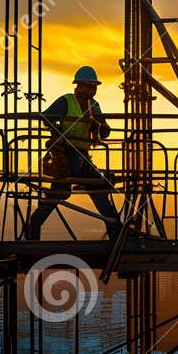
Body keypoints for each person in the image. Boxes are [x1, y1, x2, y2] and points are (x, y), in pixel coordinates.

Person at [21, 65, 122, 240]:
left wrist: (101, 127)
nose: (93, 90)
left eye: (94, 86)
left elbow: (104, 129)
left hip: (82, 155)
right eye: (90, 86)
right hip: (67, 155)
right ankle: (33, 228)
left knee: (98, 188)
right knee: (63, 191)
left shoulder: (94, 105)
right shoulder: (66, 101)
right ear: (79, 86)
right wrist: (58, 131)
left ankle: (117, 235)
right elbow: (47, 117)